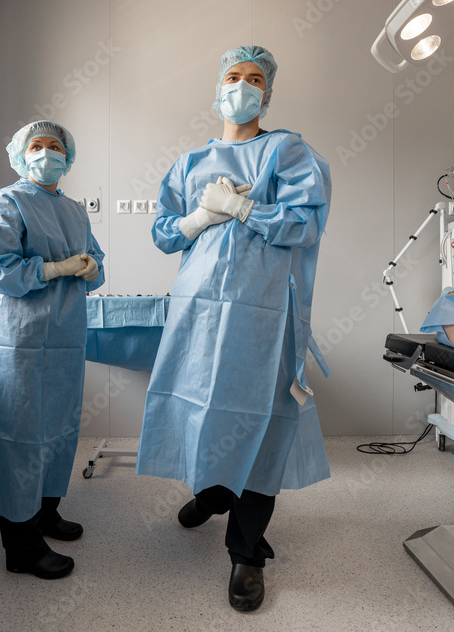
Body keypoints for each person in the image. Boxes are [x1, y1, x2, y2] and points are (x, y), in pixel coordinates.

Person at [136, 46, 332, 612]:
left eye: (254, 79)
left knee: (260, 422)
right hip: (198, 312)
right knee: (202, 409)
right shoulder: (190, 162)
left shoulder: (285, 150)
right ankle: (213, 494)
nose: (242, 86)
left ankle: (246, 552)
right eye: (233, 76)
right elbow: (164, 233)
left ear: (267, 94)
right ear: (217, 88)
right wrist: (201, 216)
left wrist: (245, 209)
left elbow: (305, 225)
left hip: (261, 315)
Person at [0, 120, 105, 580]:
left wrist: (91, 268)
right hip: (23, 340)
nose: (47, 153)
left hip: (66, 337)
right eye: (37, 146)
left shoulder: (74, 210)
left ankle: (46, 511)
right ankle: (21, 544)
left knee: (60, 428)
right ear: (21, 155)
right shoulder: (7, 202)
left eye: (55, 146)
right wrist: (54, 269)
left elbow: (94, 261)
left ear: (67, 157)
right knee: (21, 435)